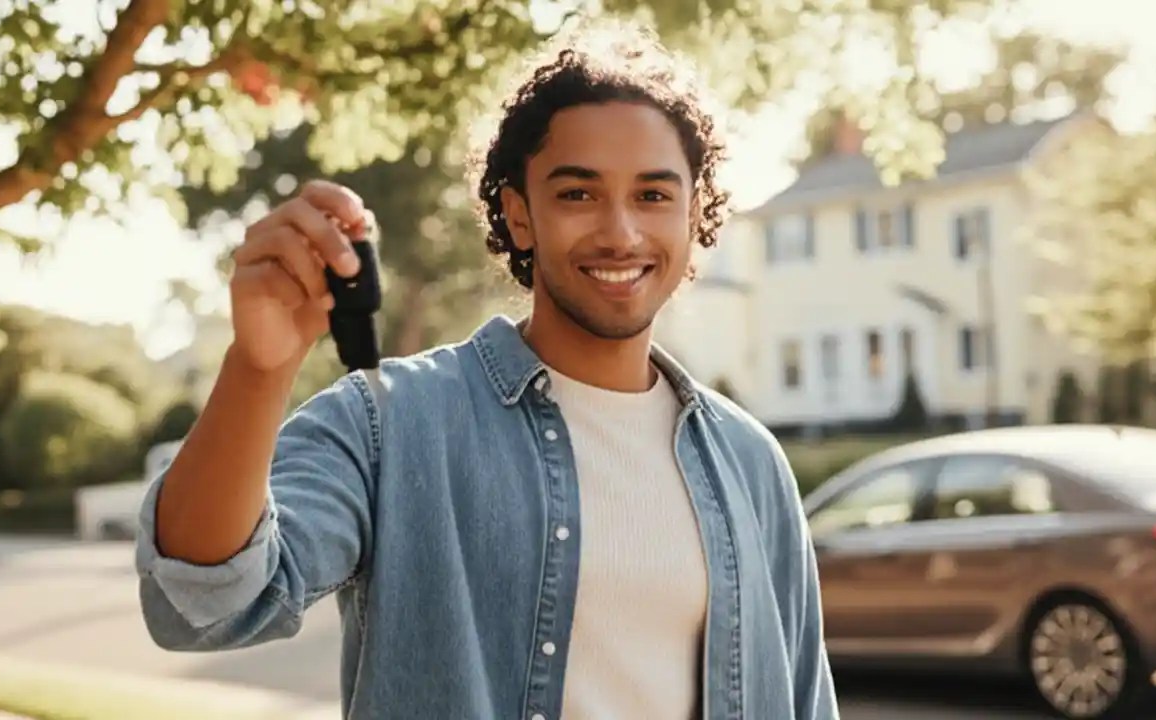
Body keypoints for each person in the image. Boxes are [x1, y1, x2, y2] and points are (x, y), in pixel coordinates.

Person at [136, 21, 839, 720]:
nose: (621, 232)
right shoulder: (390, 421)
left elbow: (807, 700)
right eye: (577, 194)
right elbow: (203, 603)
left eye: (653, 196)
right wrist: (260, 368)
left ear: (693, 215)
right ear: (519, 214)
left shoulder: (750, 463)